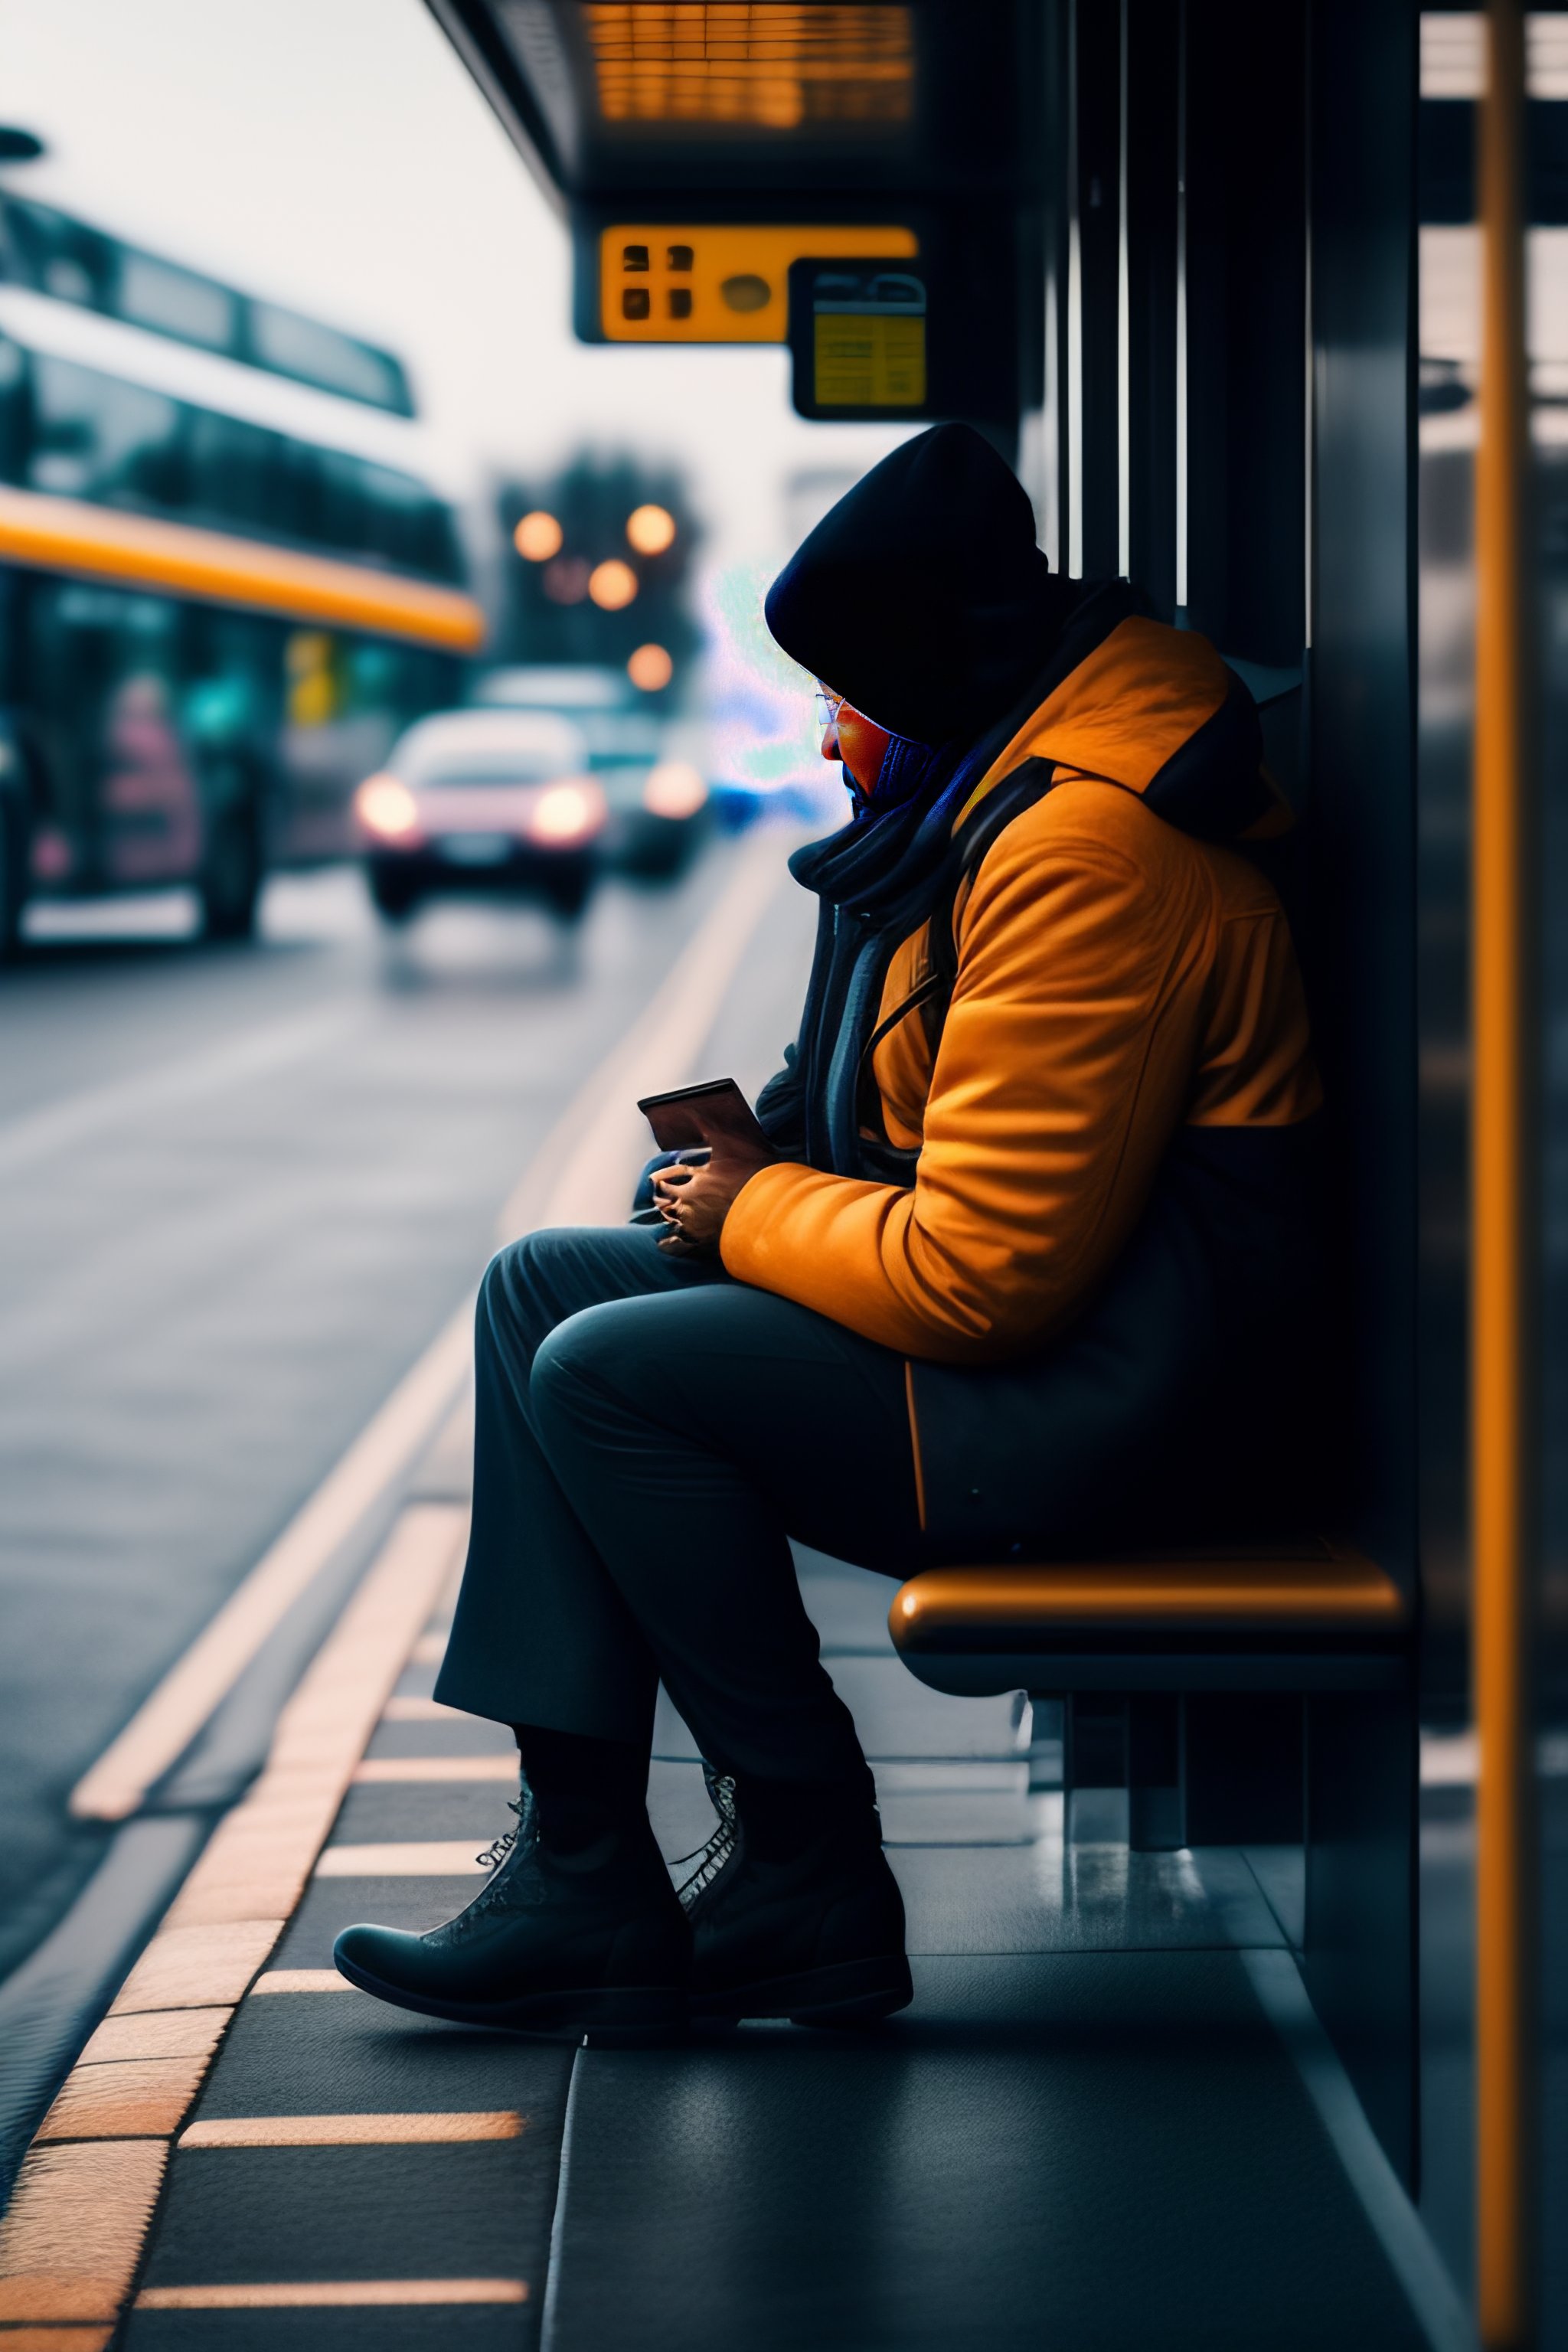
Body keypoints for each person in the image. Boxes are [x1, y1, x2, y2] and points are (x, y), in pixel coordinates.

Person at [334, 423, 1322, 2040]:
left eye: (841, 697)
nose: (821, 732)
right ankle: (581, 1873)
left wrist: (746, 1207)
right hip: (1076, 1353)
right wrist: (739, 1169)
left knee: (607, 1375)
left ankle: (806, 1855)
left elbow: (982, 1278)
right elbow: (885, 1114)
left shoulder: (1085, 853)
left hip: (1132, 1404)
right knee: (542, 1293)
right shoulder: (971, 816)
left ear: (923, 685)